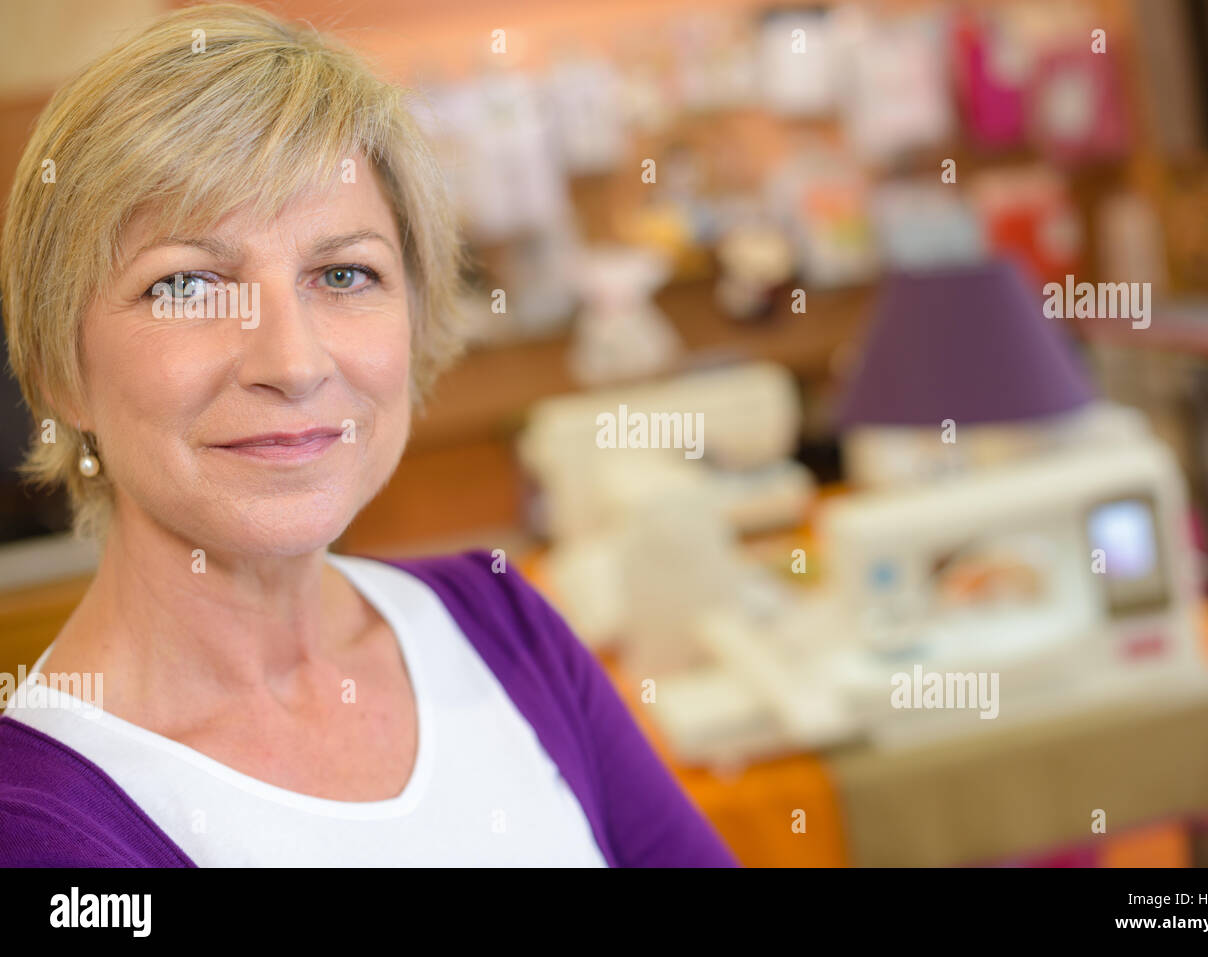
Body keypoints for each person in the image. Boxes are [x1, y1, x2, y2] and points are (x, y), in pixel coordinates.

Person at [0, 2, 737, 868]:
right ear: (59, 367)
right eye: (189, 284)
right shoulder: (43, 832)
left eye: (343, 273)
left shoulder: (502, 624)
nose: (294, 360)